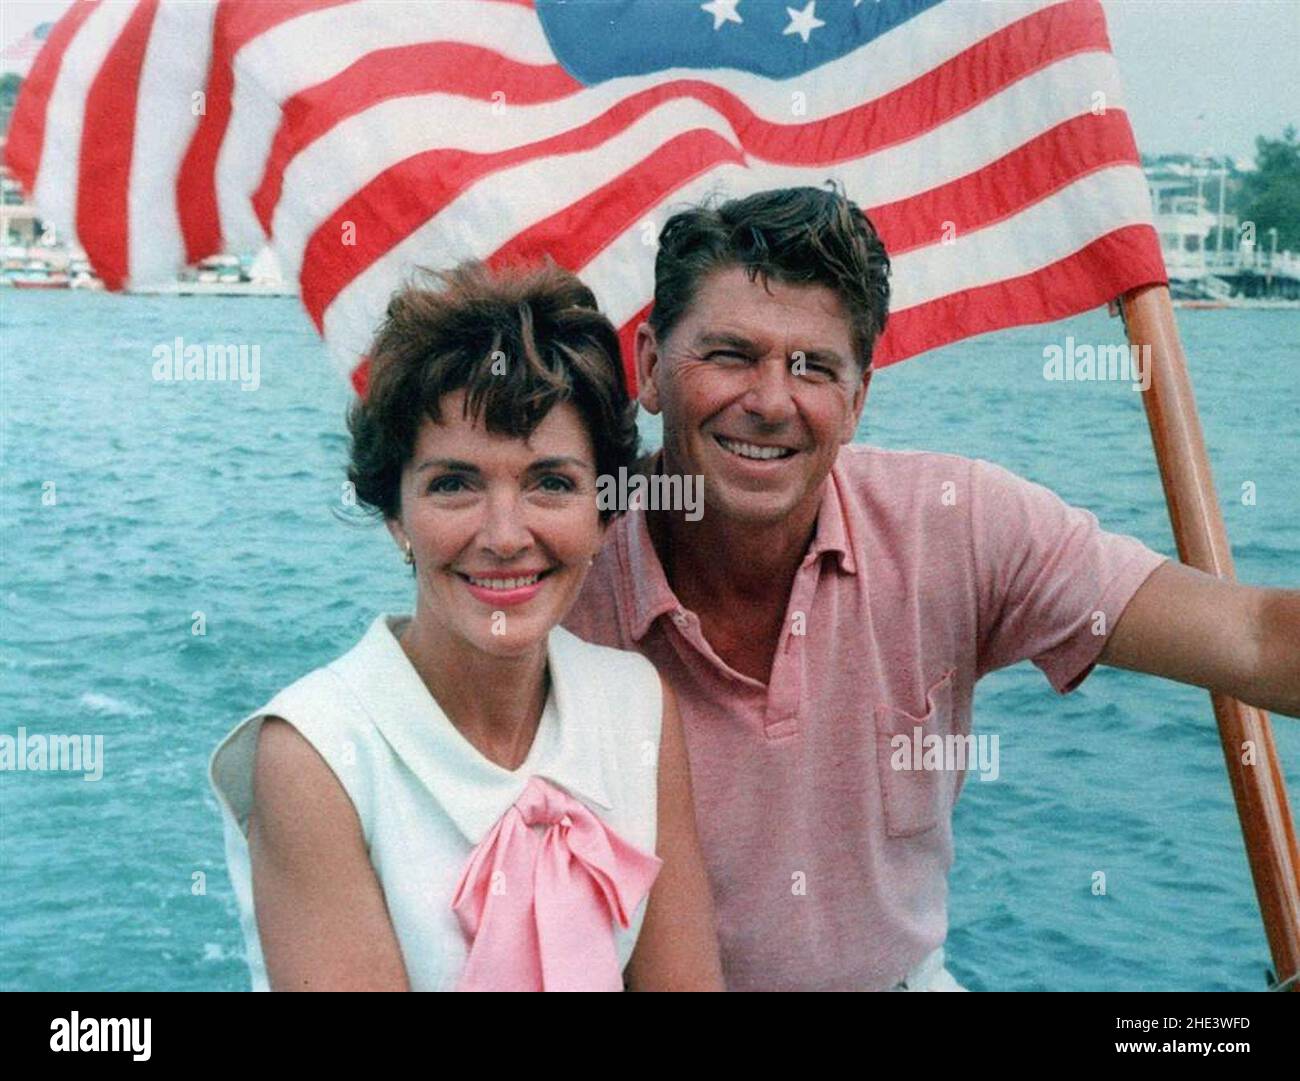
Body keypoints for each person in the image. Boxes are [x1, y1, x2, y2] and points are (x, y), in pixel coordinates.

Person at [561, 184, 1300, 992]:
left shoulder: (953, 523)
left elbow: (1258, 637)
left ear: (857, 400)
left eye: (813, 367)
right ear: (650, 368)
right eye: (730, 354)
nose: (771, 400)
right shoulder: (559, 574)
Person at [209, 260, 724, 991]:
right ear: (395, 515)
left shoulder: (637, 703)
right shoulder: (315, 754)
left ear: (605, 516)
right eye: (454, 484)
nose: (506, 535)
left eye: (552, 482)